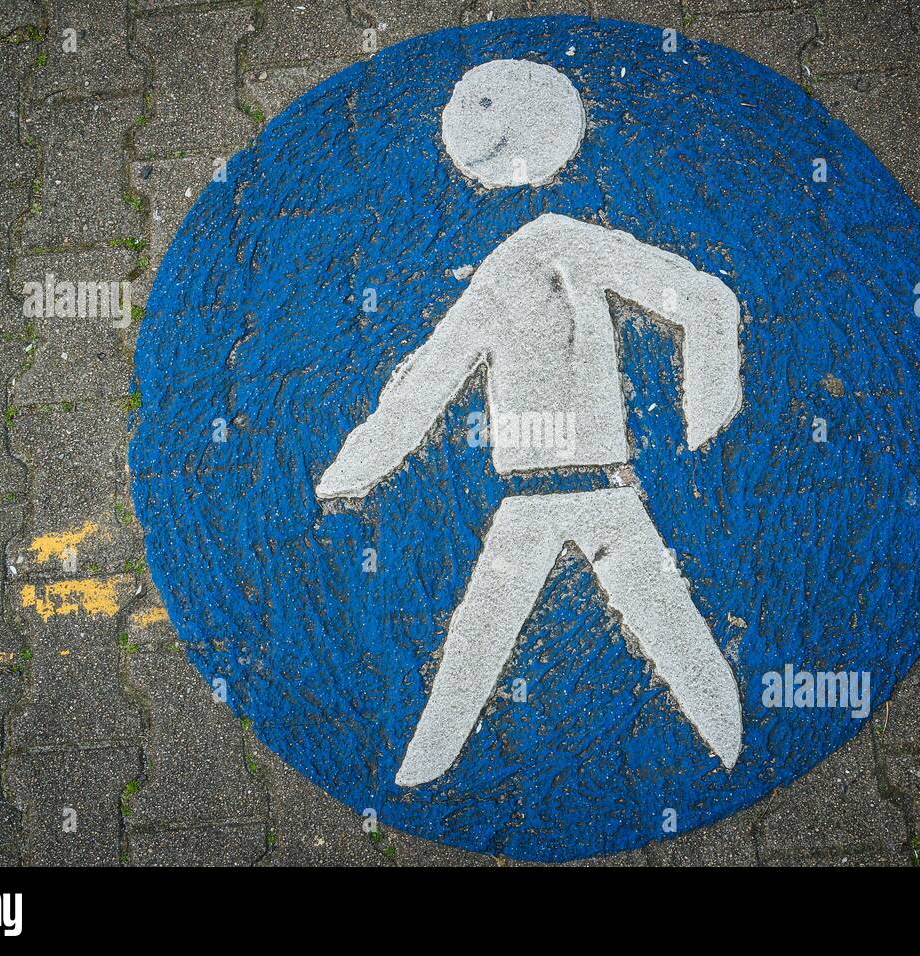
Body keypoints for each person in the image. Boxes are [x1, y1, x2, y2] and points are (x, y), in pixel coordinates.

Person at [317, 59, 746, 787]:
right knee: (668, 635)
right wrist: (704, 417)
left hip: (539, 492)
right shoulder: (574, 244)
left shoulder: (508, 267)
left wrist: (347, 476)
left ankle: (422, 770)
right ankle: (727, 742)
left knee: (477, 648)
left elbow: (421, 389)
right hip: (602, 486)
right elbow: (708, 302)